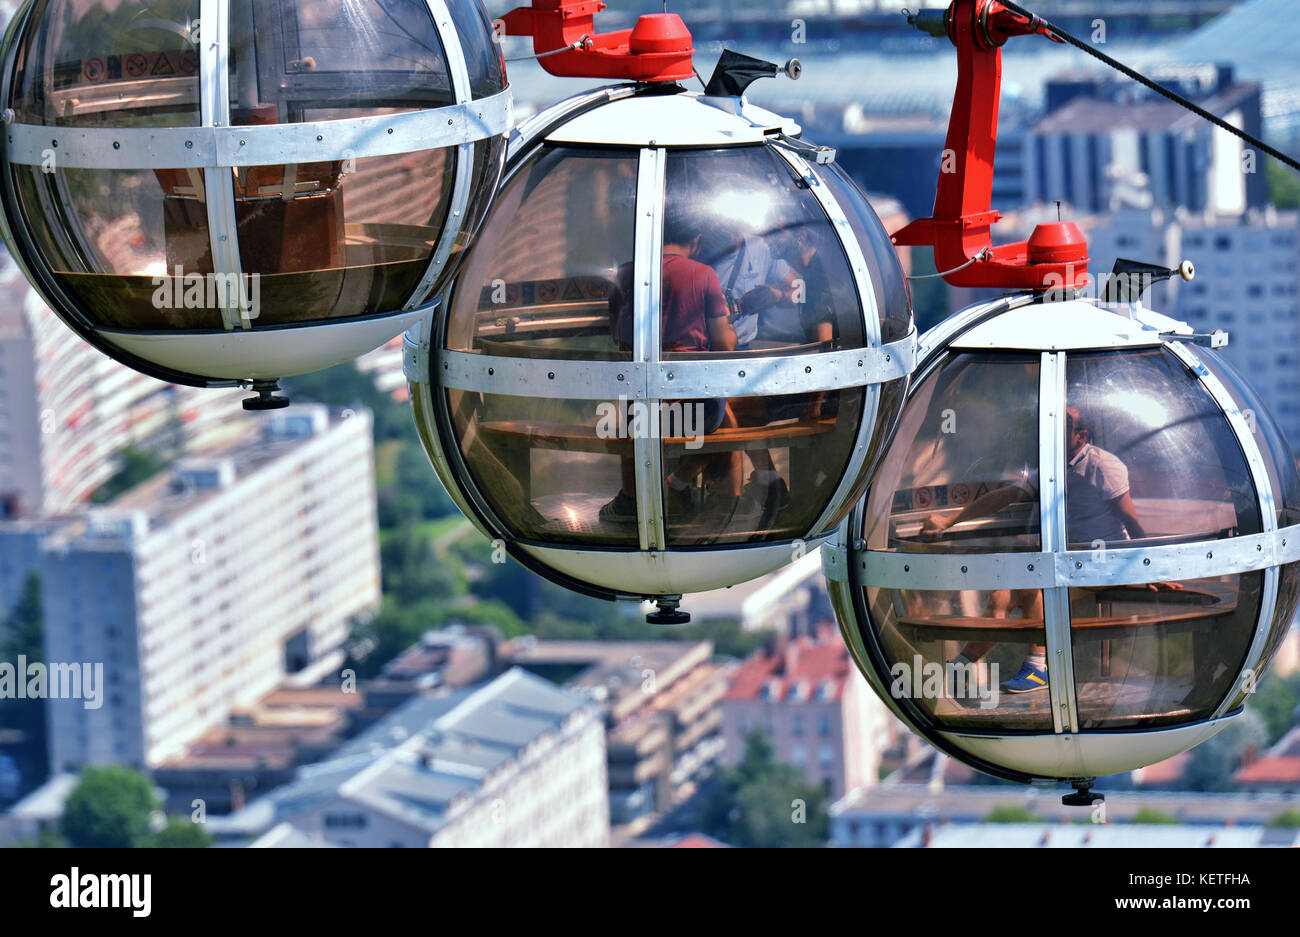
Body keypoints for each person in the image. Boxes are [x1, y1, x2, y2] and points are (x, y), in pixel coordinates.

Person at [920, 406, 1150, 694]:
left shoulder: (1103, 466)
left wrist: (1150, 569)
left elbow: (1131, 521)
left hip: (1103, 566)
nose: (1050, 432)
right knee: (1001, 596)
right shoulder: (1054, 468)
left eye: (1061, 426)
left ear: (1081, 436)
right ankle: (961, 665)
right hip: (1069, 565)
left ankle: (1037, 667)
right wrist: (949, 520)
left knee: (1031, 587)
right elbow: (1003, 497)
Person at [599, 204, 737, 524]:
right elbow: (724, 343)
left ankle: (631, 498)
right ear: (697, 240)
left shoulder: (624, 273)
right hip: (694, 409)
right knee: (728, 420)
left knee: (635, 405)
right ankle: (687, 487)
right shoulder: (704, 274)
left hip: (639, 405)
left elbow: (615, 333)